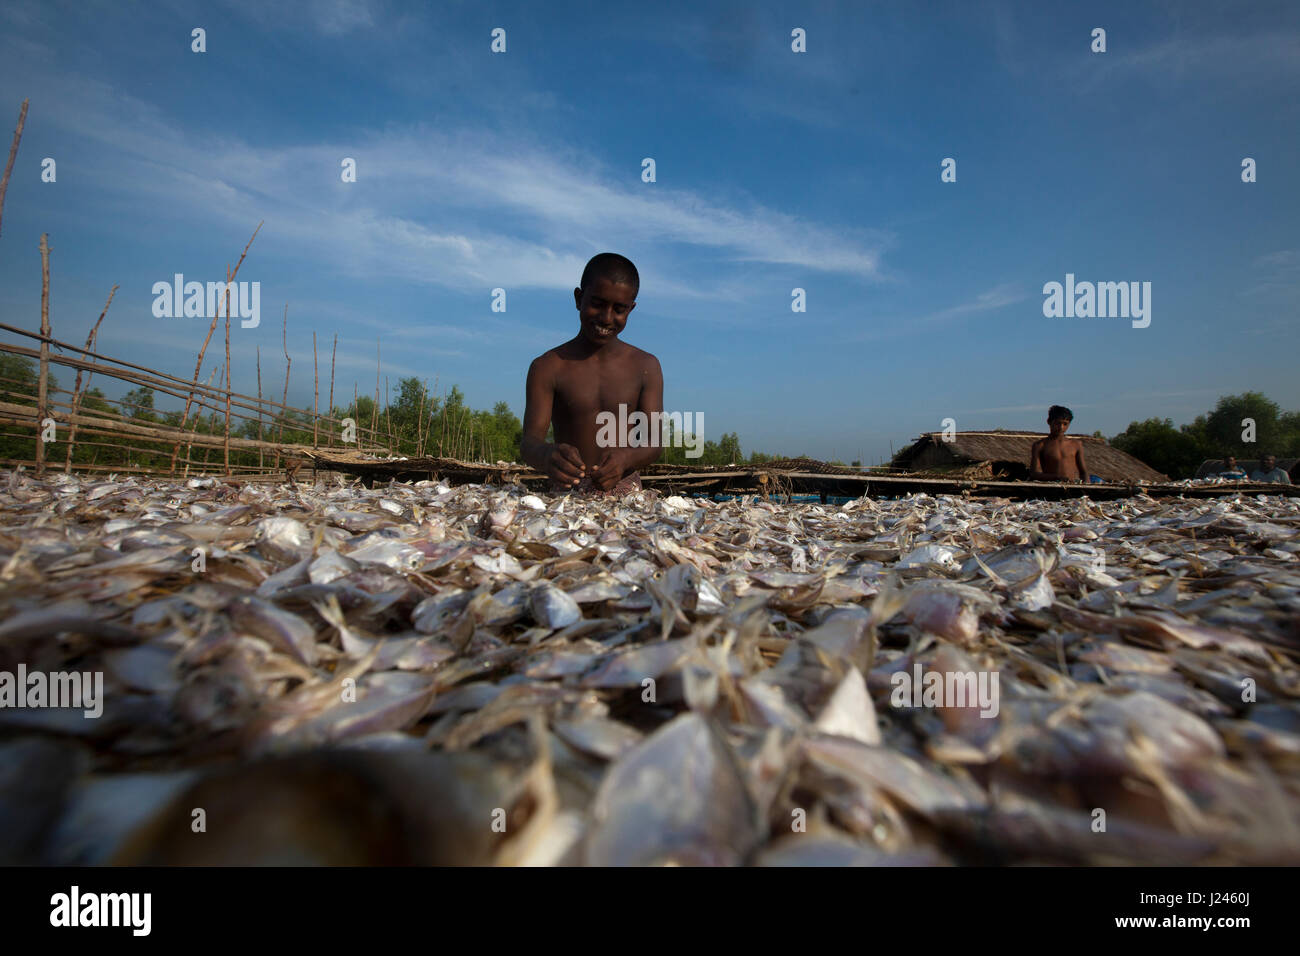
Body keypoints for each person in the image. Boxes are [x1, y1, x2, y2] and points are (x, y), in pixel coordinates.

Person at [521, 253, 664, 495]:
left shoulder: (646, 366)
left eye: (619, 309)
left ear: (631, 308)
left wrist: (626, 458)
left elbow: (654, 443)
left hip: (625, 490)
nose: (606, 318)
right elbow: (529, 442)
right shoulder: (547, 367)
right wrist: (547, 455)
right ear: (579, 298)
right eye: (597, 303)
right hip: (566, 492)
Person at [1028, 405, 1088, 482]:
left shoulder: (1076, 445)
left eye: (1065, 424)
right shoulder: (1040, 445)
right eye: (1057, 423)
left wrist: (1087, 489)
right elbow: (1034, 474)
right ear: (1049, 422)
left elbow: (1084, 472)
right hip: (1051, 488)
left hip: (1072, 489)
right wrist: (1056, 477)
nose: (1061, 427)